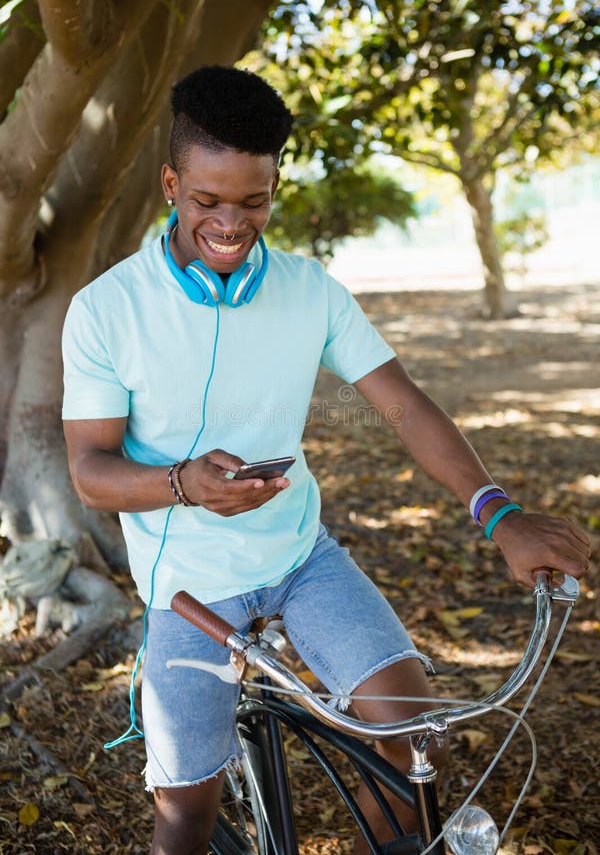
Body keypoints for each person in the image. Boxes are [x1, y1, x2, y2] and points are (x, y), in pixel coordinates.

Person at [61, 66, 591, 855]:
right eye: (208, 201)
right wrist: (184, 487)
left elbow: (403, 405)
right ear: (172, 184)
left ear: (277, 185)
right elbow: (90, 470)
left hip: (303, 558)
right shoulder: (106, 309)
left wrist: (499, 512)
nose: (232, 223)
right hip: (188, 590)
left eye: (255, 200)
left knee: (416, 748)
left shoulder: (312, 291)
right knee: (184, 818)